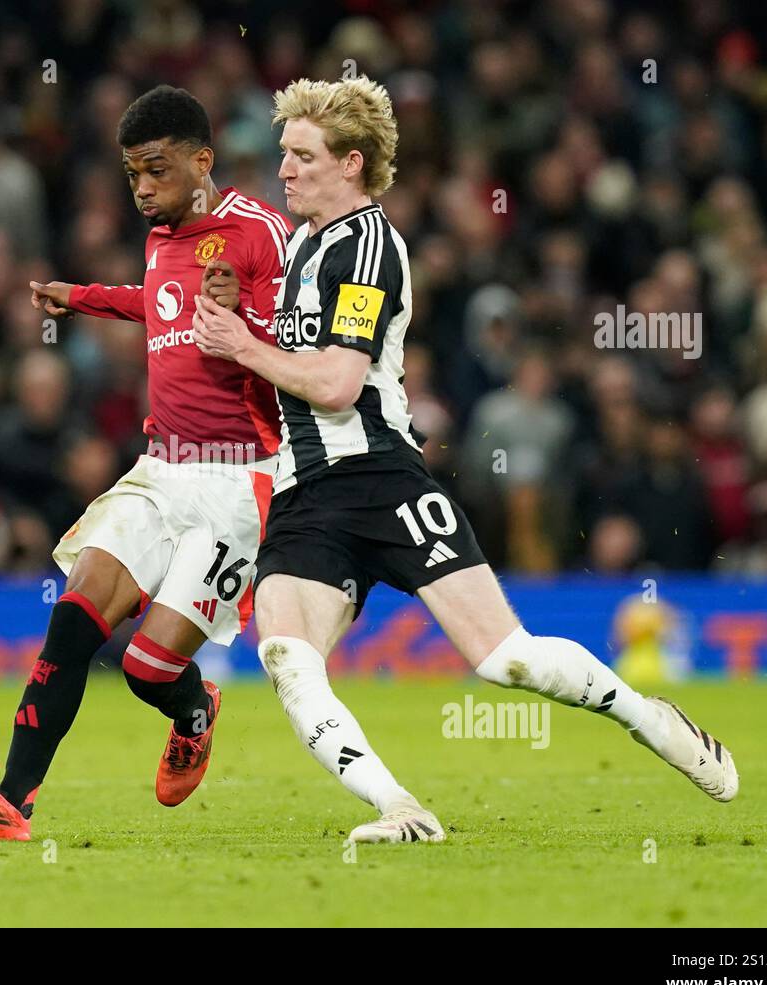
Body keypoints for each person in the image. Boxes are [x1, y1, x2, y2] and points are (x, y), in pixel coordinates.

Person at [193, 77, 738, 844]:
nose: (282, 169)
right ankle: (402, 810)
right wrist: (238, 317)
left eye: (300, 155)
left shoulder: (371, 244)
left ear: (351, 164)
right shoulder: (303, 250)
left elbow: (342, 382)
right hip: (305, 490)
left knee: (504, 661)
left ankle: (647, 716)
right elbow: (296, 359)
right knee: (285, 654)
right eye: (284, 154)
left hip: (380, 475)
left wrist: (243, 343)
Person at [0, 86, 290, 840]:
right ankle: (10, 801)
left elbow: (304, 351)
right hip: (161, 470)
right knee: (73, 620)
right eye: (132, 176)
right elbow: (159, 302)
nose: (143, 189)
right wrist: (82, 298)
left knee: (148, 668)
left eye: (155, 170)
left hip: (240, 479)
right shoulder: (161, 239)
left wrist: (241, 318)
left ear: (202, 161)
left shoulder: (260, 233)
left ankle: (193, 706)